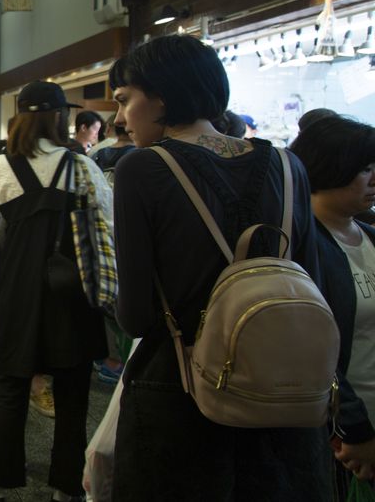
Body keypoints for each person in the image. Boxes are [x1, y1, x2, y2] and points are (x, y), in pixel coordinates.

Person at [109, 35, 329, 500]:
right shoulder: (289, 165)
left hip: (181, 388)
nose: (119, 118)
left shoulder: (141, 169)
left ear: (162, 97)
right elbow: (311, 286)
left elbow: (137, 317)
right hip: (282, 391)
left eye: (125, 101)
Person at [0, 82, 110, 502]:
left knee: (12, 384)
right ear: (58, 117)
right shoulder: (82, 166)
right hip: (70, 289)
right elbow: (105, 216)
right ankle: (66, 488)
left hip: (19, 288)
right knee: (72, 393)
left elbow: (2, 217)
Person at [291, 116, 375, 495]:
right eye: (364, 169)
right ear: (329, 167)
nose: (374, 179)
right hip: (343, 435)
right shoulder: (302, 249)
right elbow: (315, 351)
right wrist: (352, 428)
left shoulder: (370, 236)